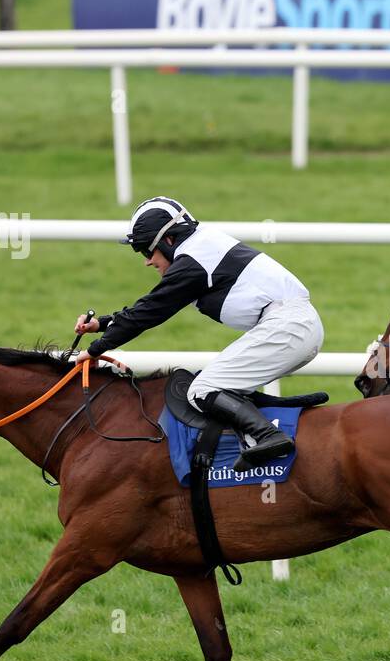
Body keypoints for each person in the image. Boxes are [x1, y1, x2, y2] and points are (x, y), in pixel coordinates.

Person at [74, 196, 323, 471]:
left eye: (146, 251)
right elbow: (153, 305)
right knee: (219, 384)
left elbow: (151, 311)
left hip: (287, 327)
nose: (147, 261)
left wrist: (95, 349)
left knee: (204, 390)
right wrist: (104, 324)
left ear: (168, 240)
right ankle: (284, 411)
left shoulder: (194, 260)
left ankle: (268, 436)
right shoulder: (200, 247)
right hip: (291, 325)